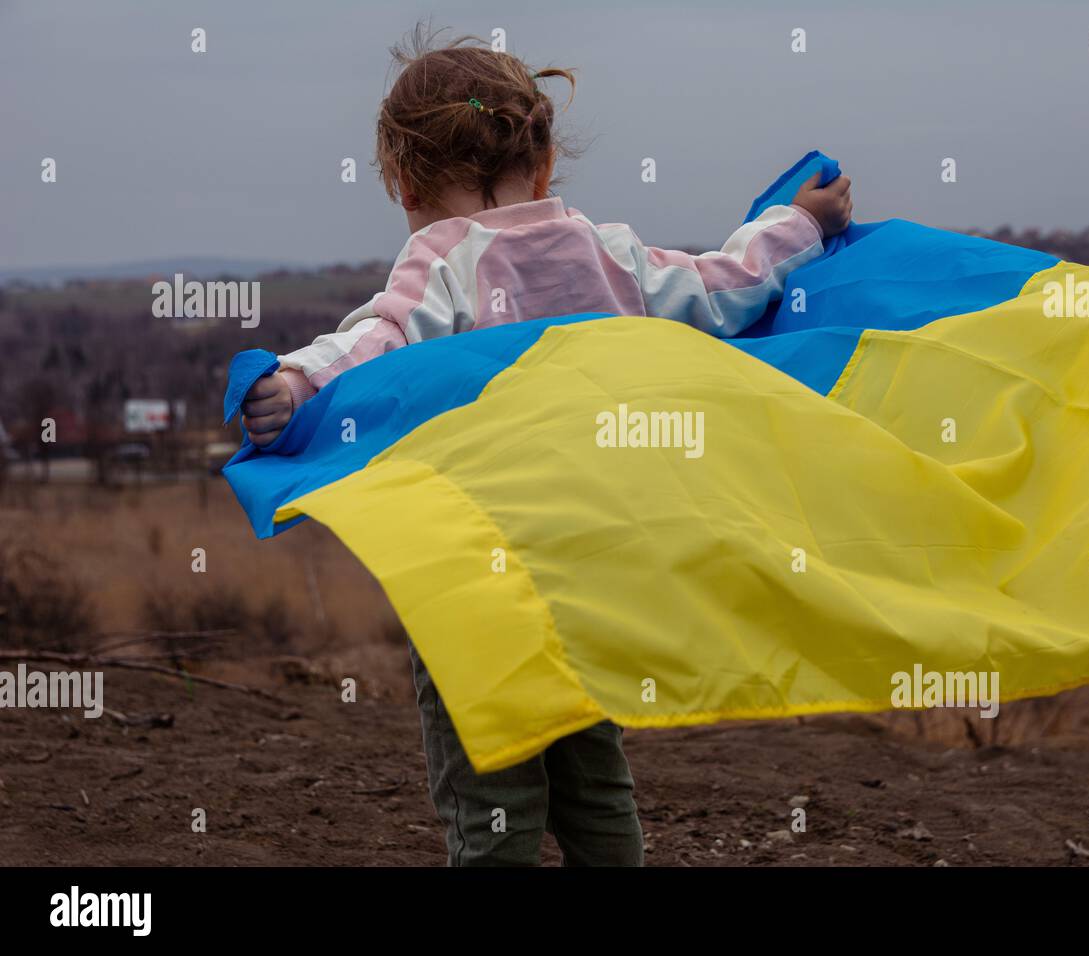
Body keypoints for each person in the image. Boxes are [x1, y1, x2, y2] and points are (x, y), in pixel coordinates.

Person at [240, 28, 852, 866]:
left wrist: (292, 384)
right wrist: (797, 224)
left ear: (405, 180)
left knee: (491, 792)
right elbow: (723, 285)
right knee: (593, 779)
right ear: (543, 160)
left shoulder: (442, 261)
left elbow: (375, 344)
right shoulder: (608, 253)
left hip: (475, 580)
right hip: (592, 567)